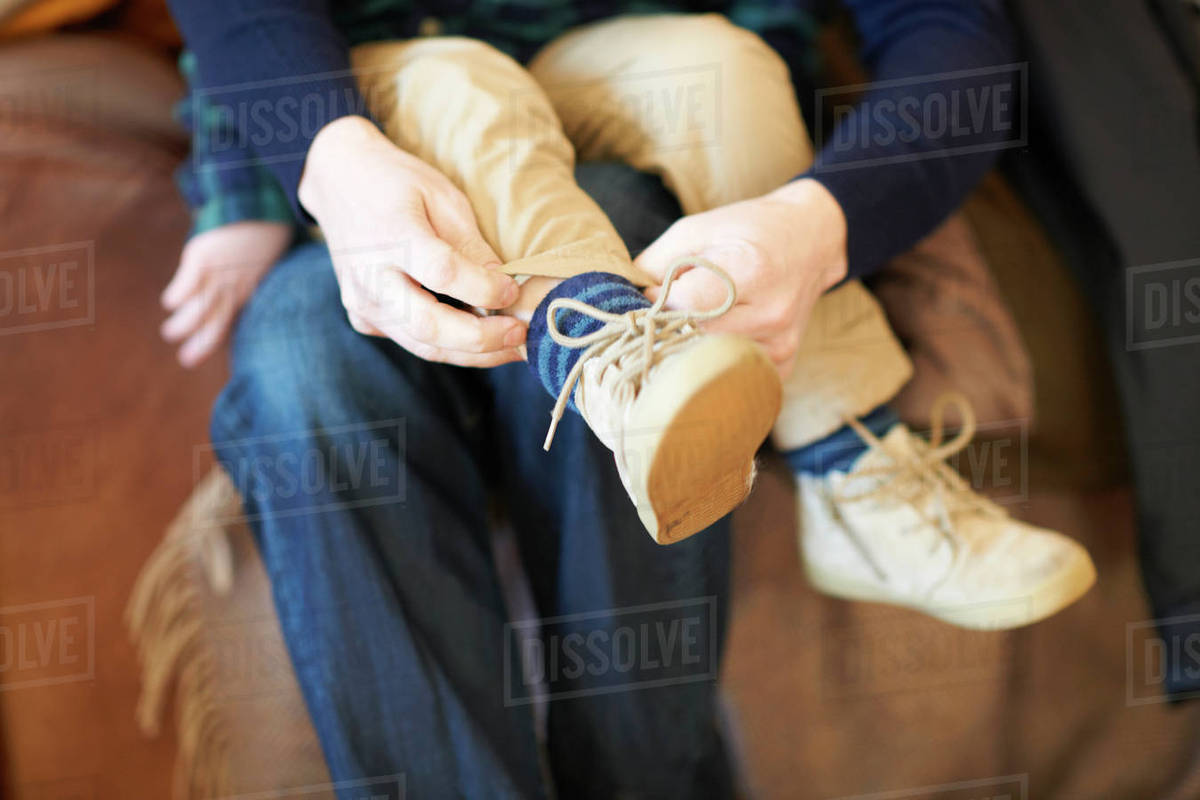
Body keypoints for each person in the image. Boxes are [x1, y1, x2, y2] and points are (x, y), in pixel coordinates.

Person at [161, 2, 1094, 795]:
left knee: (722, 69)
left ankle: (850, 457)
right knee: (303, 352)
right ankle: (609, 350)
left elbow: (946, 28)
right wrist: (265, 175)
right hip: (377, 126)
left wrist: (819, 221)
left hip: (610, 112)